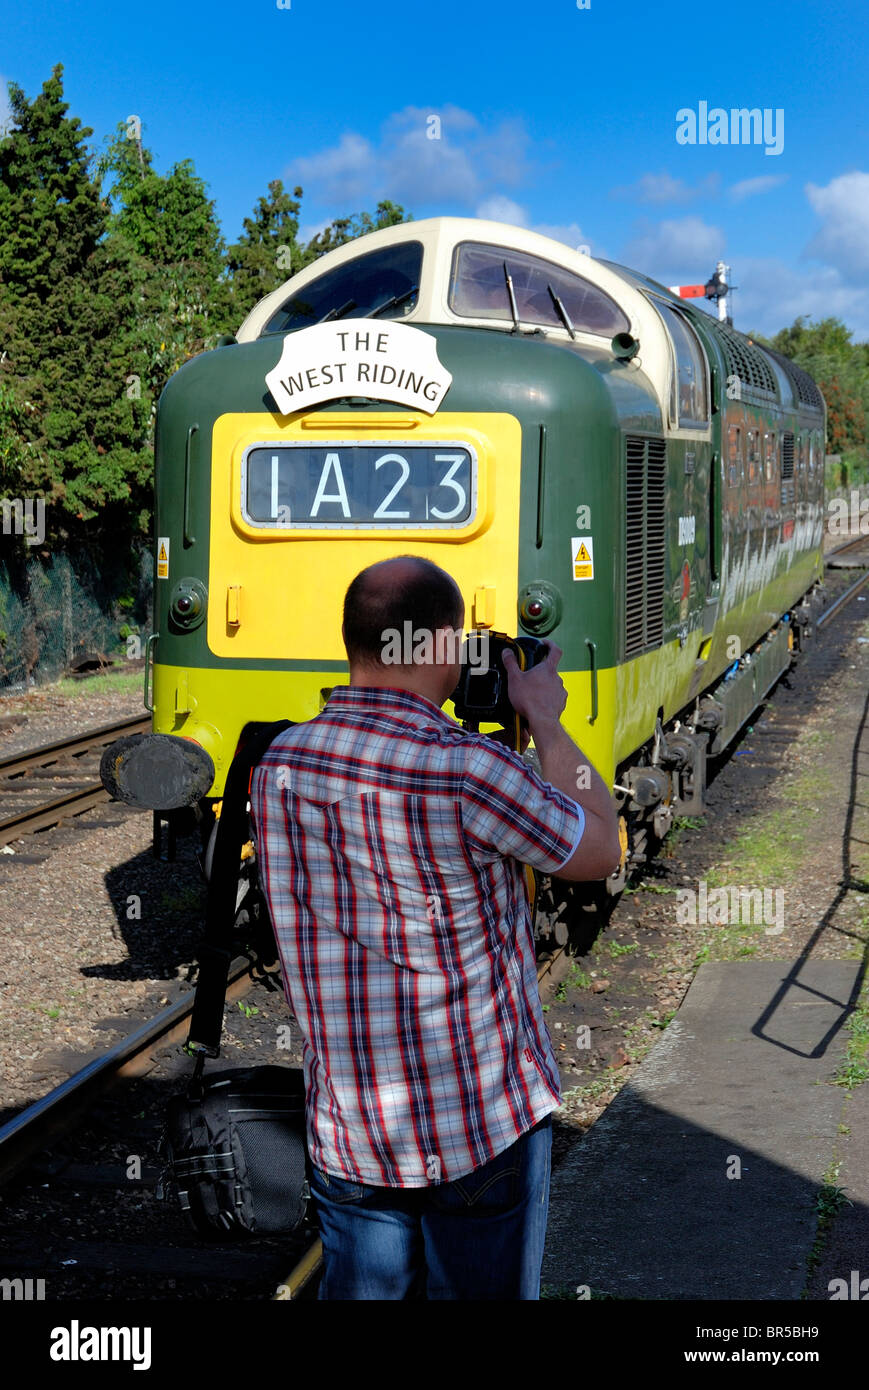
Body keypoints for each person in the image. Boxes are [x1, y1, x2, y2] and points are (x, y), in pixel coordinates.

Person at [250, 556, 621, 1299]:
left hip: (349, 1129)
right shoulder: (467, 770)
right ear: (438, 648)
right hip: (479, 1131)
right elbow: (598, 849)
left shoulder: (279, 764)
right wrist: (543, 718)